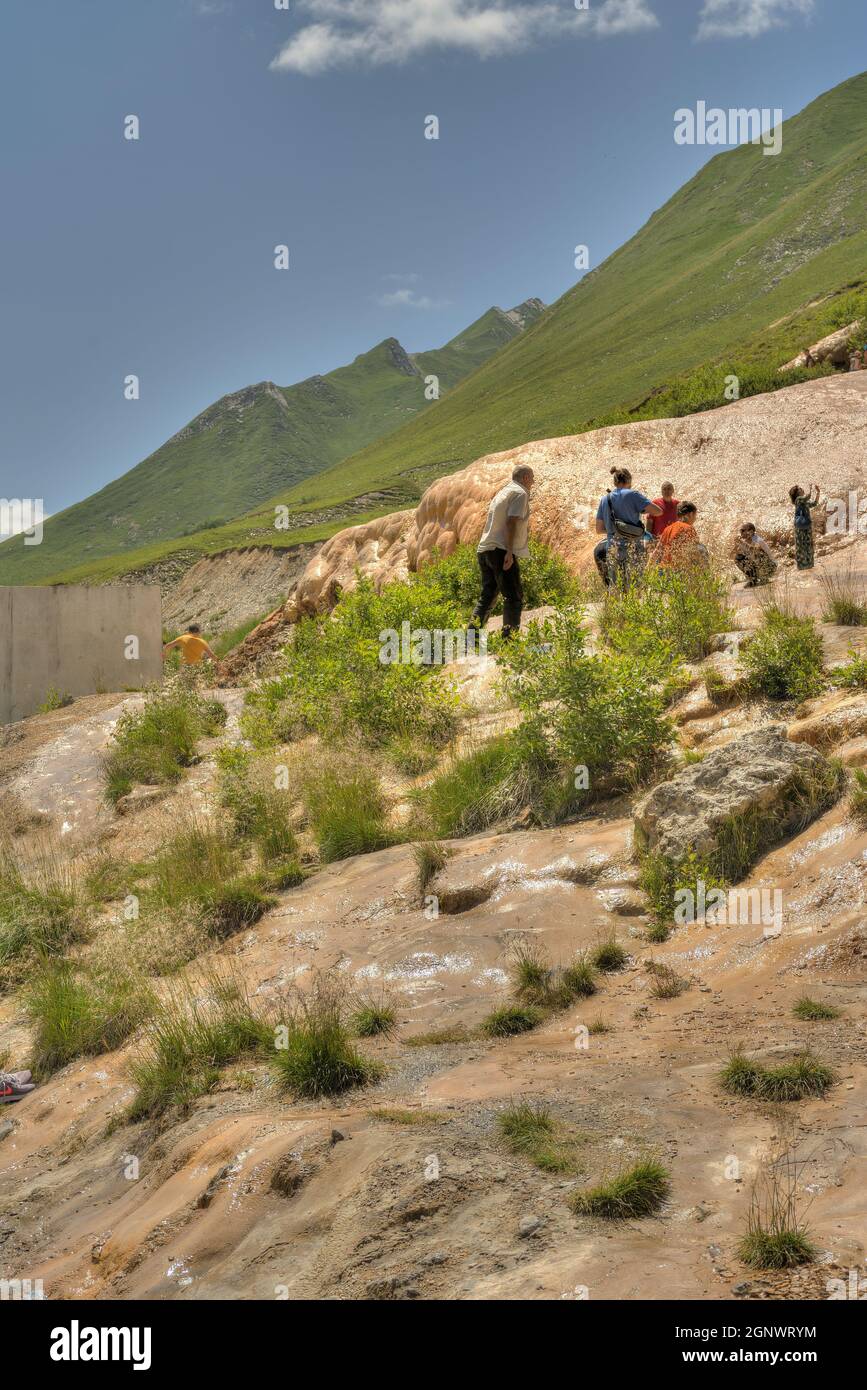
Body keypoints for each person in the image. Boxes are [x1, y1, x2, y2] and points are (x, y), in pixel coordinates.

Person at [471, 465, 534, 639]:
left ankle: (471, 639)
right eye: (533, 479)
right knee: (514, 596)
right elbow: (511, 523)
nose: (533, 483)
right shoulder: (520, 493)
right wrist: (509, 552)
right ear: (526, 478)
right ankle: (509, 641)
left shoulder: (503, 492)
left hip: (485, 549)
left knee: (488, 596)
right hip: (501, 550)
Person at [594, 467, 662, 588]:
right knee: (635, 587)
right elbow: (658, 511)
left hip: (612, 547)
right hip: (634, 547)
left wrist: (615, 530)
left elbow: (599, 529)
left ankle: (613, 607)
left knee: (615, 587)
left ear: (615, 482)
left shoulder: (605, 499)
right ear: (629, 480)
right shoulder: (632, 495)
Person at [655, 501, 706, 568]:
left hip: (663, 569)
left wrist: (648, 568)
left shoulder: (667, 529)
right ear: (690, 514)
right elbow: (695, 552)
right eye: (695, 515)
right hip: (679, 570)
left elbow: (658, 550)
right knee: (702, 548)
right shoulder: (688, 528)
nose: (695, 518)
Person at [790, 483, 821, 570]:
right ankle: (802, 567)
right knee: (801, 546)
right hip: (801, 528)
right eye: (800, 489)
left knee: (807, 545)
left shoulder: (804, 502)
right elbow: (807, 497)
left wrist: (818, 493)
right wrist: (810, 489)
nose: (802, 489)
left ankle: (808, 566)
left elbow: (814, 503)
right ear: (797, 493)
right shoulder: (798, 500)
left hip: (806, 527)